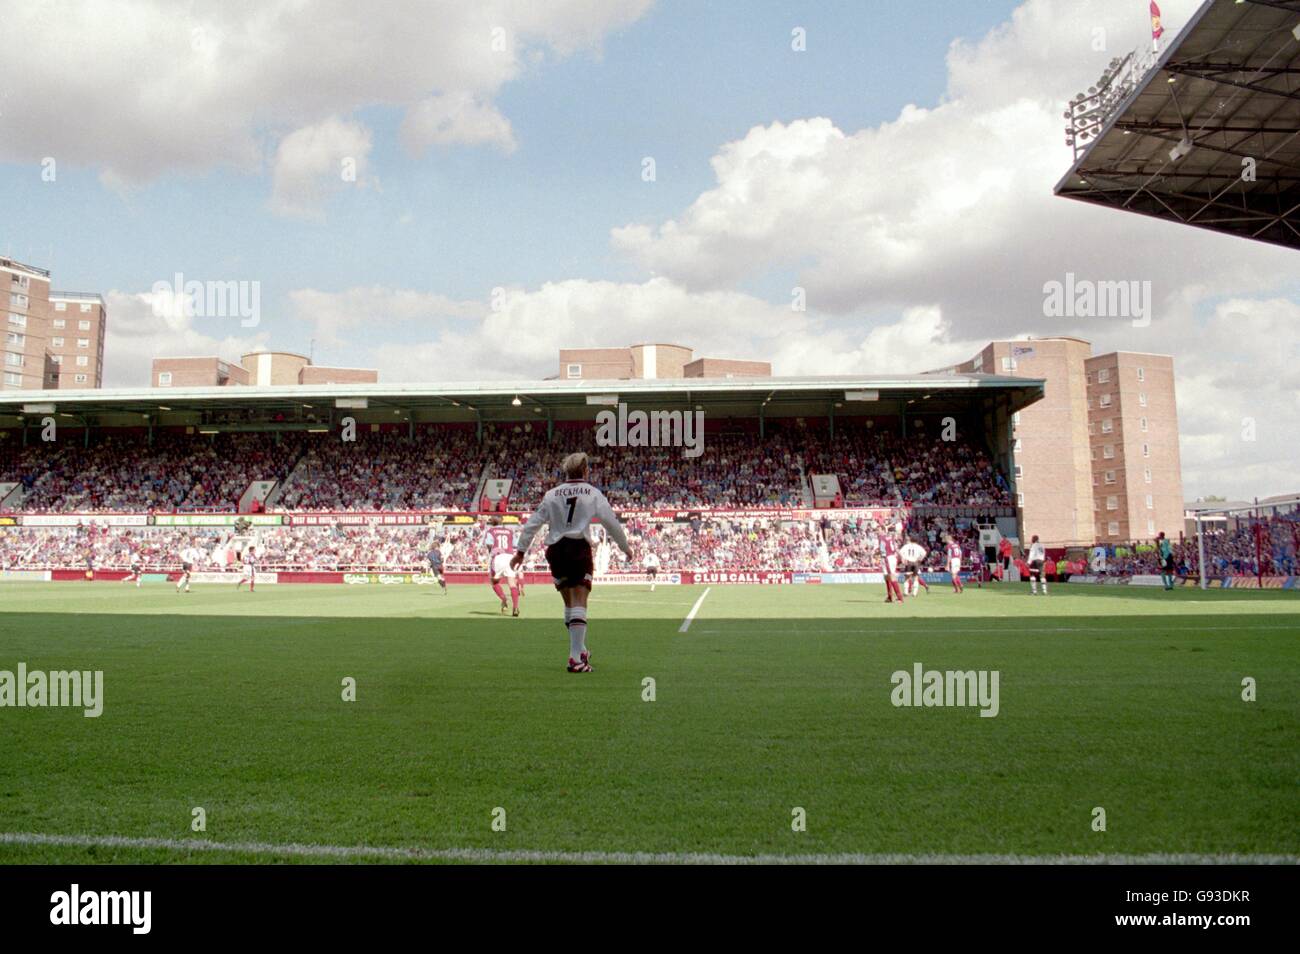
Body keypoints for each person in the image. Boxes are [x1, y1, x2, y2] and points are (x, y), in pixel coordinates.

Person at [511, 452, 632, 673]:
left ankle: (580, 649)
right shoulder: (592, 493)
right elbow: (611, 523)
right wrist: (625, 548)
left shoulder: (551, 494)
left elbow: (532, 524)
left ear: (565, 471)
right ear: (586, 470)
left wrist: (520, 552)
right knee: (579, 599)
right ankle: (576, 658)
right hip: (578, 548)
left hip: (556, 549)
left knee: (569, 602)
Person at [482, 516, 521, 616]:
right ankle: (516, 607)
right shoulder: (509, 531)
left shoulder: (490, 531)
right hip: (509, 557)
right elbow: (515, 544)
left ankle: (504, 599)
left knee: (494, 581)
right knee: (512, 583)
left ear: (492, 523)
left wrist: (492, 552)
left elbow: (489, 544)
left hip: (498, 557)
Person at [880, 525, 905, 604]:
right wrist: (901, 557)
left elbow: (883, 550)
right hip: (892, 557)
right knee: (887, 577)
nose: (877, 532)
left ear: (884, 530)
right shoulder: (892, 538)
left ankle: (900, 598)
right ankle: (890, 597)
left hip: (887, 558)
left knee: (891, 576)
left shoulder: (882, 538)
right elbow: (895, 548)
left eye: (879, 530)